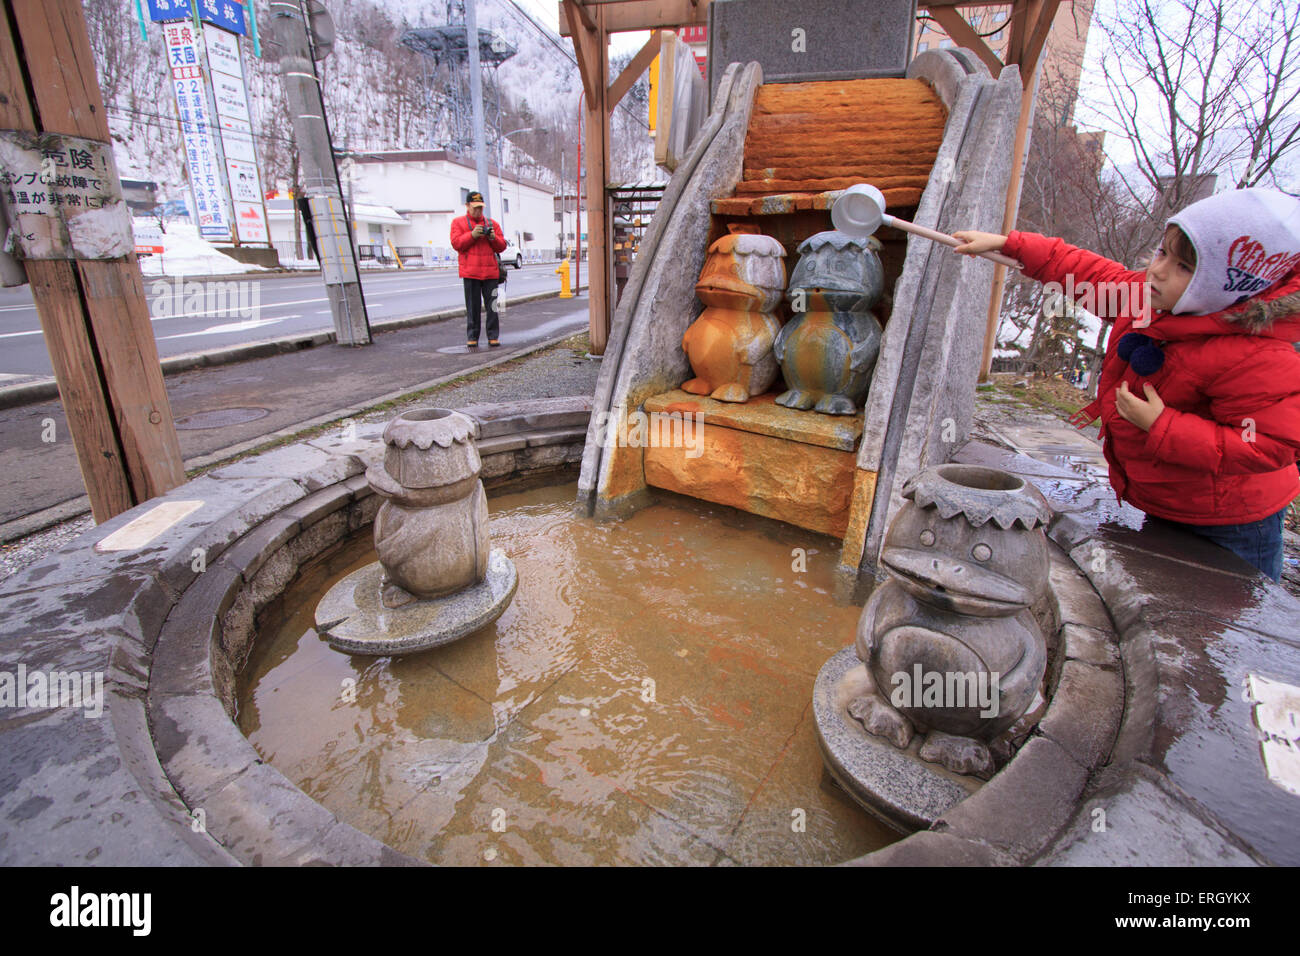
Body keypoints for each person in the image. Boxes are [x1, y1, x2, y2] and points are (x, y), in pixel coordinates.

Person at [953, 188, 1300, 581]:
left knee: (1222, 614)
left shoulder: (1256, 356)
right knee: (1167, 597)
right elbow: (1089, 273)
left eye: (1185, 267)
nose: (1159, 270)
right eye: (1162, 253)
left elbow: (1271, 445)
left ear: (1227, 286)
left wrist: (1164, 427)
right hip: (1169, 499)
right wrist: (1011, 245)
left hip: (1233, 522)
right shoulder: (1151, 299)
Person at [450, 190, 507, 347]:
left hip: (490, 273)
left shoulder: (492, 224)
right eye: (475, 207)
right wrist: (472, 235)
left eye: (480, 207)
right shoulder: (458, 223)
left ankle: (493, 336)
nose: (478, 210)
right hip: (471, 272)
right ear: (467, 206)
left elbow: (502, 246)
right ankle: (472, 336)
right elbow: (457, 244)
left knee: (493, 307)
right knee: (472, 307)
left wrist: (493, 237)